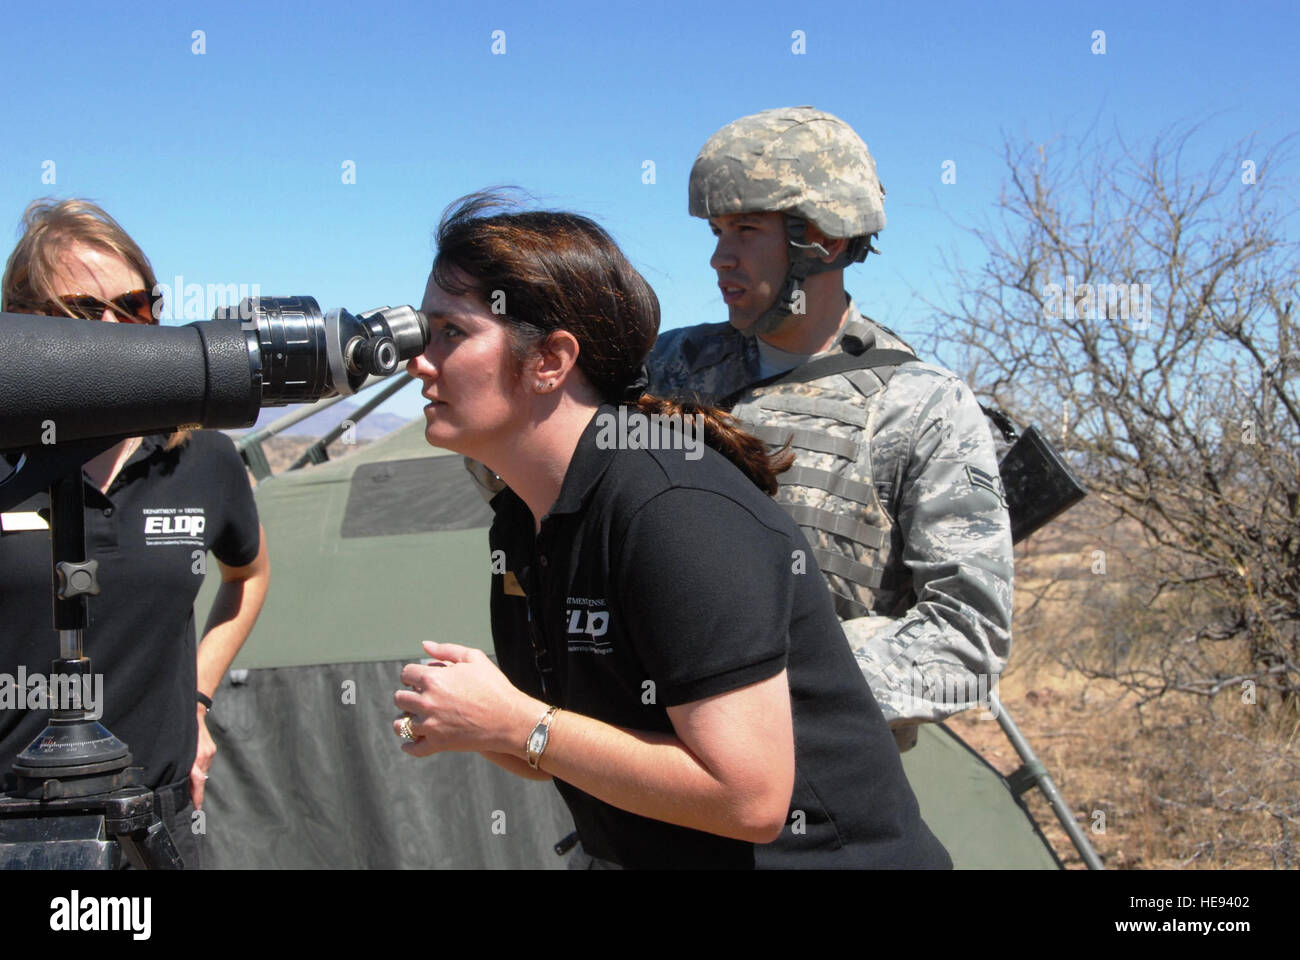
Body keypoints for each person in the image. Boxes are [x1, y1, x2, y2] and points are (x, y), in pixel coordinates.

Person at [648, 107, 1014, 751]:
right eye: (715, 231)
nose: (719, 258)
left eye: (746, 230)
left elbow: (967, 635)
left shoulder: (919, 406)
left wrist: (758, 688)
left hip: (814, 789)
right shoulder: (666, 366)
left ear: (827, 241)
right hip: (644, 772)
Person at [0, 198, 270, 868]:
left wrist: (199, 699)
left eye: (136, 306)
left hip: (157, 817)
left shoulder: (201, 456)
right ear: (20, 320)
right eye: (85, 312)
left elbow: (250, 574)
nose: (118, 328)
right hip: (15, 821)